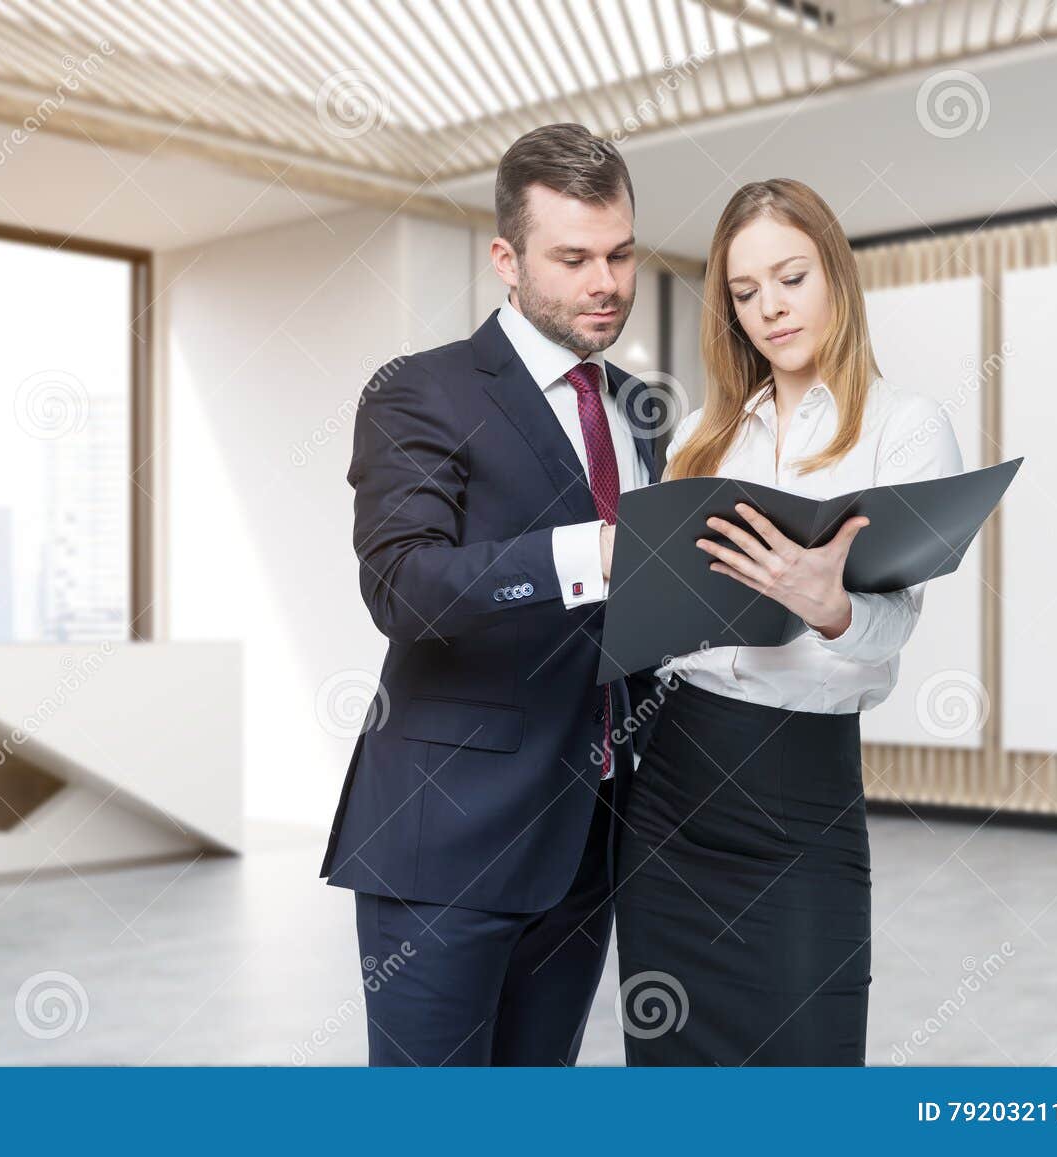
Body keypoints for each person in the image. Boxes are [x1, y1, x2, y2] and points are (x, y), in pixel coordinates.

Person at [319, 123, 663, 1066]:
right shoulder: (421, 390)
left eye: (621, 254)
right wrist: (589, 553)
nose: (606, 282)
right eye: (574, 259)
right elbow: (402, 586)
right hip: (447, 844)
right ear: (506, 260)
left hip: (585, 838)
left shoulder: (639, 409)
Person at [612, 178, 964, 1065]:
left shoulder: (905, 427)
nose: (769, 307)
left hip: (801, 796)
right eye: (744, 292)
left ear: (835, 274)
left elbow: (895, 627)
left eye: (791, 277)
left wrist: (829, 607)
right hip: (674, 791)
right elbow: (663, 608)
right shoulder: (700, 434)